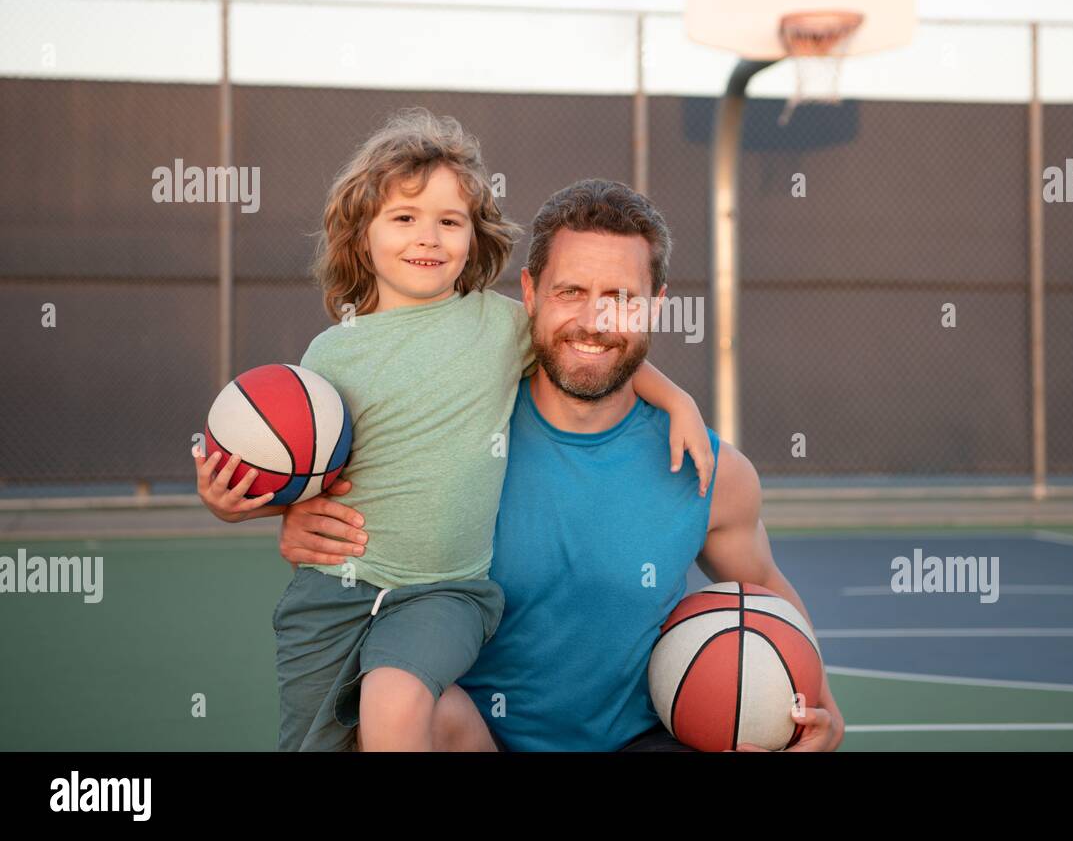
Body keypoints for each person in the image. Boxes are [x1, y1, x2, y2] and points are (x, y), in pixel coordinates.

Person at [194, 112, 713, 751]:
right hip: (335, 589)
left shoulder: (498, 328)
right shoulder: (329, 356)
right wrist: (236, 507)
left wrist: (679, 398)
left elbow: (595, 342)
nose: (428, 237)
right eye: (405, 217)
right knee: (315, 743)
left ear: (475, 235)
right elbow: (299, 470)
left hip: (445, 593)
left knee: (394, 700)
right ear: (362, 234)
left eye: (450, 221)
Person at [279, 178, 845, 751]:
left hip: (634, 741)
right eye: (570, 291)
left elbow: (765, 588)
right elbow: (314, 473)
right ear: (529, 294)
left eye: (622, 298)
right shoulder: (460, 424)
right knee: (408, 712)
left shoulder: (710, 470)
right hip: (473, 739)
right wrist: (289, 517)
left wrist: (822, 706)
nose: (594, 320)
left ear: (657, 305)